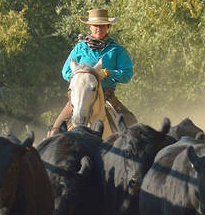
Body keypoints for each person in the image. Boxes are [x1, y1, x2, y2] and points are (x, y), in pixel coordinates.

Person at [48, 8, 138, 137]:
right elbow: (66, 71)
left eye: (102, 26)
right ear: (90, 26)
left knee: (132, 126)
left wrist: (108, 72)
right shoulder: (80, 47)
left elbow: (127, 74)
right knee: (54, 132)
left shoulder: (117, 50)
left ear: (108, 27)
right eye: (95, 25)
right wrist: (80, 77)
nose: (98, 29)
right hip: (79, 96)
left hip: (107, 97)